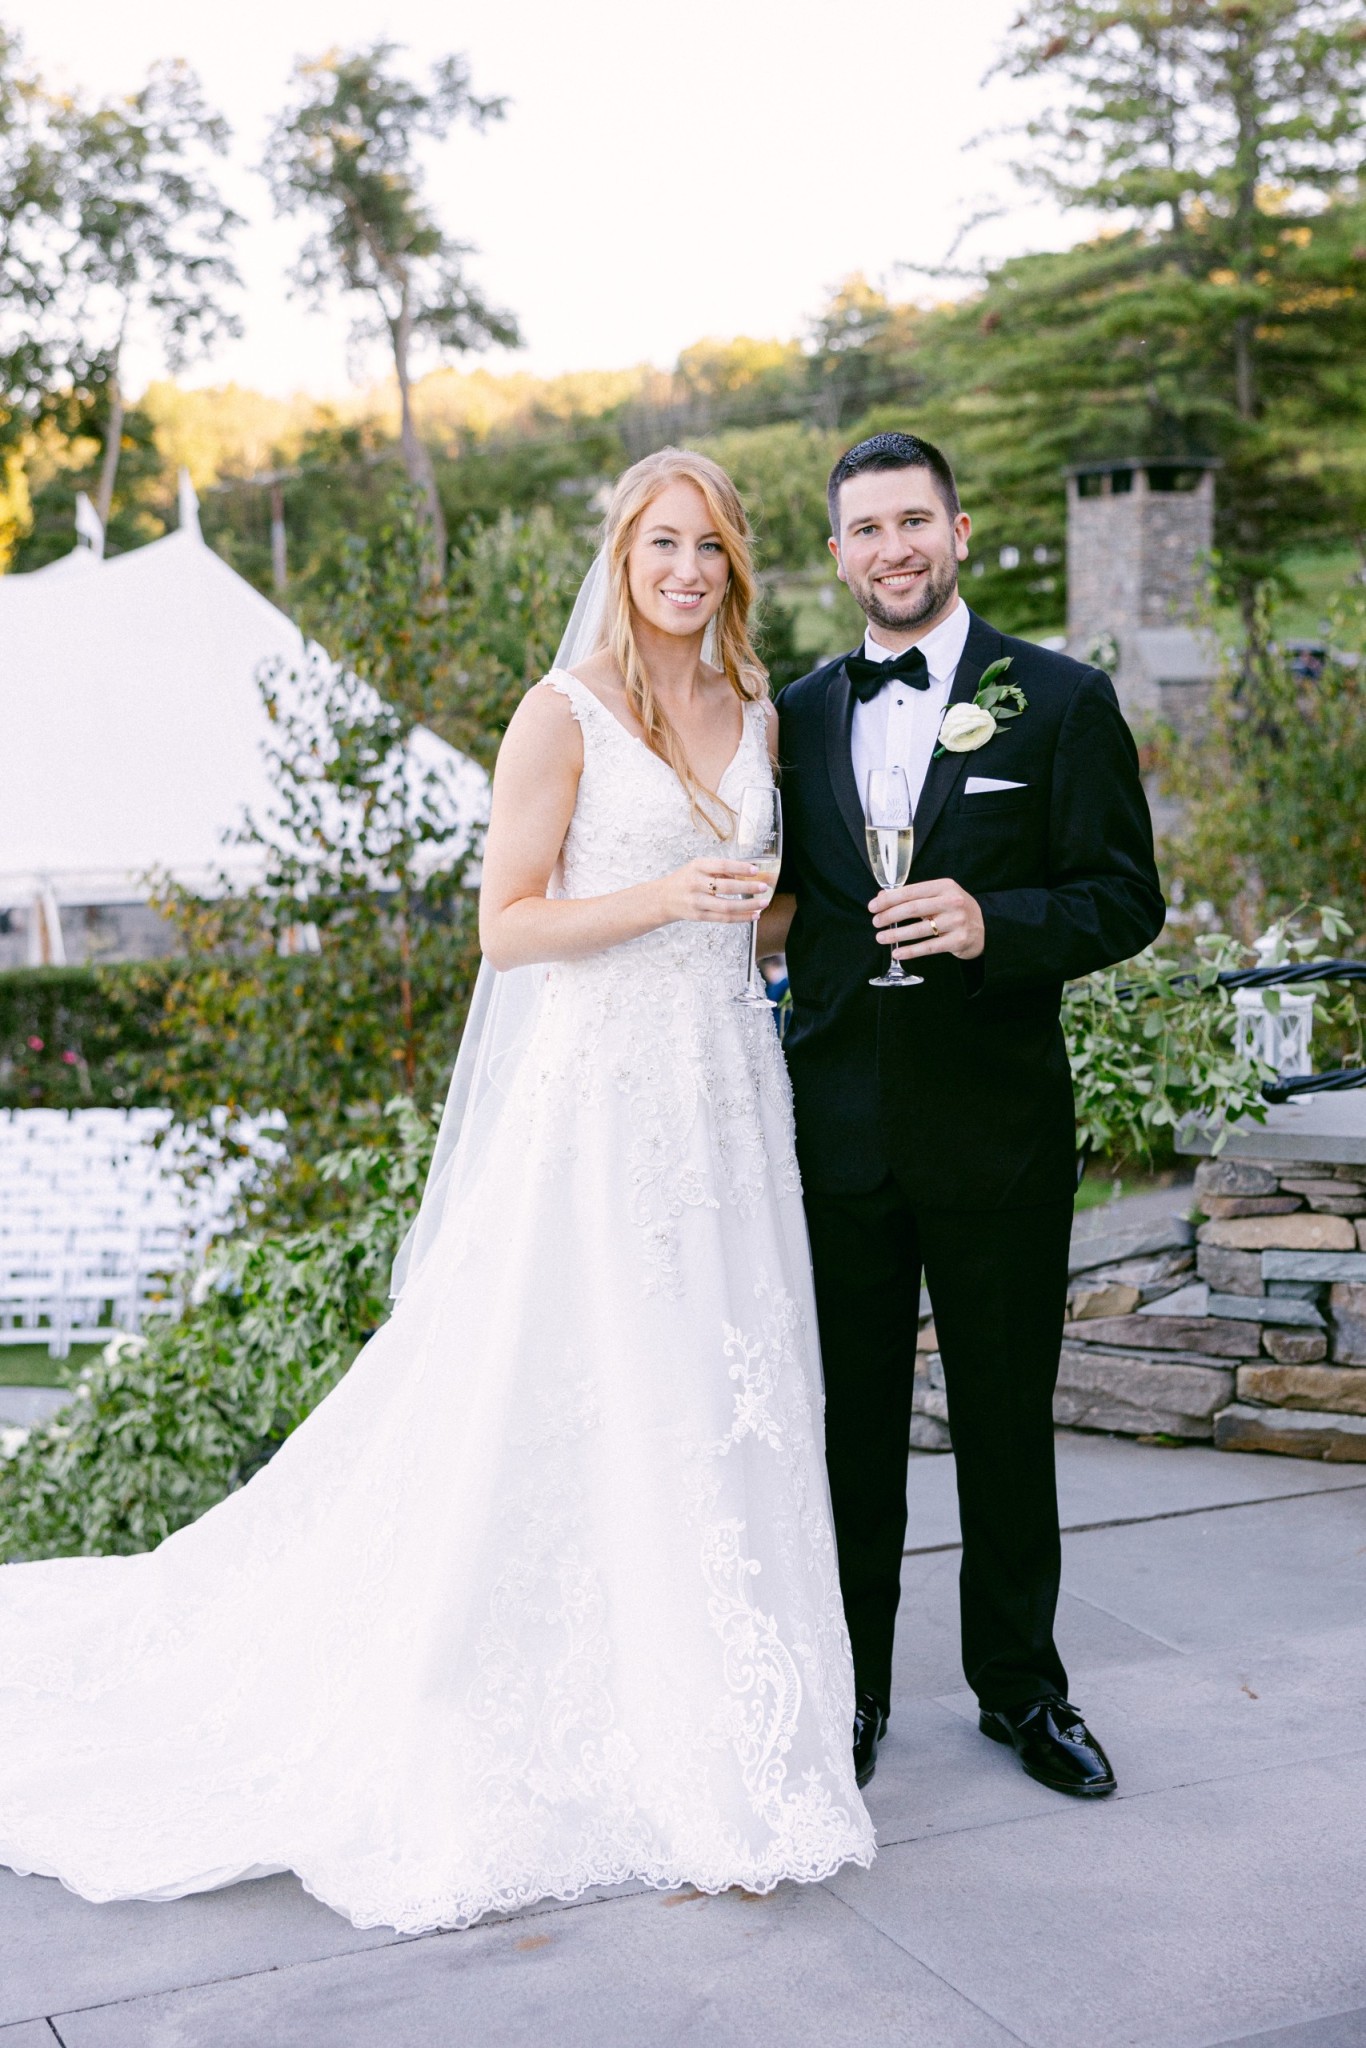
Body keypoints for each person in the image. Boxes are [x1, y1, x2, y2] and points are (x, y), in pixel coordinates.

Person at [0, 449, 874, 1934]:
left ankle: (726, 1727)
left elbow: (768, 905)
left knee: (720, 1398)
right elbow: (507, 928)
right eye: (662, 544)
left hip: (725, 1096)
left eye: (710, 551)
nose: (684, 571)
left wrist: (784, 912)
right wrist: (666, 897)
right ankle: (587, 1726)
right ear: (621, 552)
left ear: (737, 567)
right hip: (598, 1110)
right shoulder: (564, 712)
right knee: (592, 1389)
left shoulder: (762, 715)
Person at [770, 432, 1165, 1797]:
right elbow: (778, 905)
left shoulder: (1055, 699)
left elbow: (1125, 898)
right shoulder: (796, 713)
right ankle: (852, 1694)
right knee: (850, 1432)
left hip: (997, 1128)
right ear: (836, 554)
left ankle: (1021, 1692)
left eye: (914, 521)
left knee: (1004, 1420)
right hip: (833, 1133)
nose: (893, 547)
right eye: (867, 527)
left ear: (957, 532)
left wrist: (992, 919)